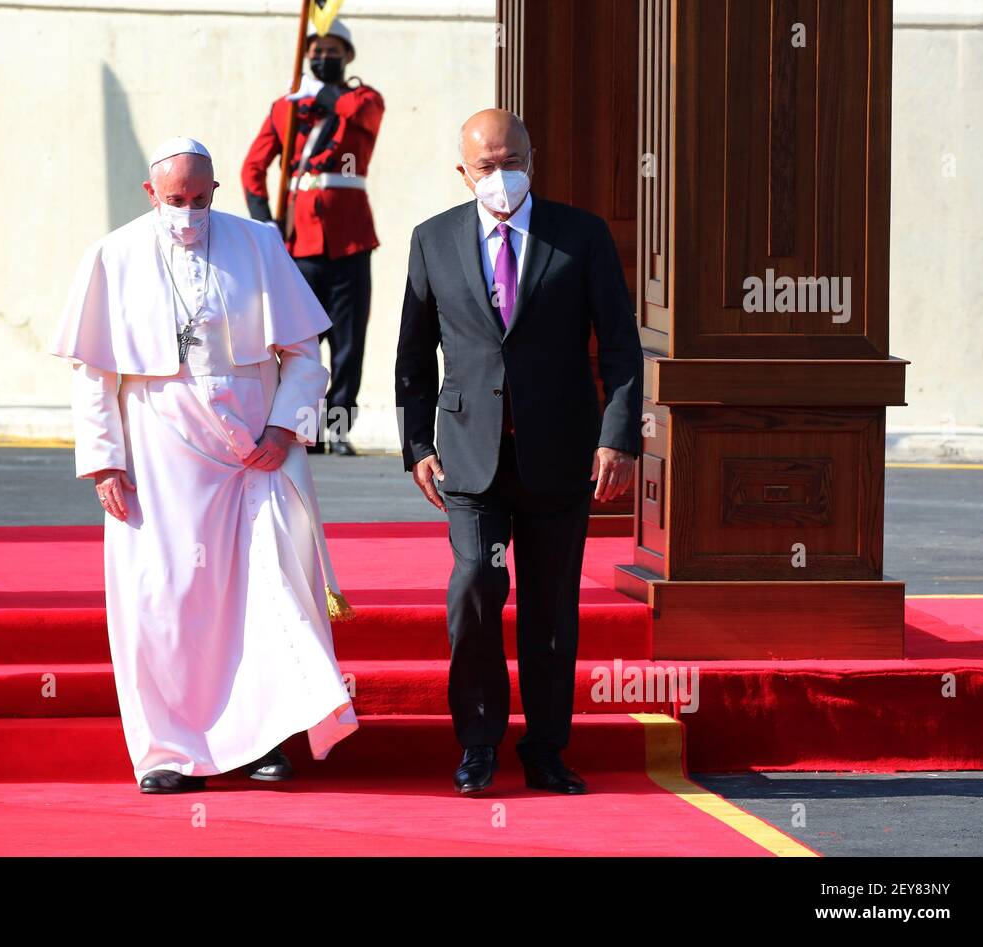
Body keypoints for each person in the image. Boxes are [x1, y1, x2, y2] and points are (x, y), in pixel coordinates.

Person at [51, 137, 358, 794]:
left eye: (199, 198)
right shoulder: (112, 256)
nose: (188, 212)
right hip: (158, 458)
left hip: (256, 453)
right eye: (175, 199)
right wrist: (105, 463)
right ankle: (170, 751)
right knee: (164, 598)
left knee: (265, 589)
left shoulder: (258, 243)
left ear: (216, 191)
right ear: (150, 193)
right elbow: (94, 376)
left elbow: (306, 356)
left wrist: (285, 427)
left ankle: (267, 739)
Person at [394, 109, 642, 796]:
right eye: (486, 165)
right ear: (463, 171)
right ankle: (478, 744)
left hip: (560, 452)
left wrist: (618, 435)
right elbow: (414, 355)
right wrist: (416, 444)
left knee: (551, 604)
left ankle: (546, 748)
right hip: (469, 456)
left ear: (532, 162)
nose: (500, 176)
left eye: (512, 163)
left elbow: (620, 345)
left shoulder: (581, 235)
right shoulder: (433, 239)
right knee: (477, 583)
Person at [242, 18, 383, 455]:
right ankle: (306, 430)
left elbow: (360, 113)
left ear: (348, 56)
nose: (323, 58)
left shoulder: (365, 100)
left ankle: (337, 431)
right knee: (300, 345)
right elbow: (252, 168)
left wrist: (321, 94)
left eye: (332, 52)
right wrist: (265, 222)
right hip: (298, 245)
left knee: (347, 345)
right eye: (316, 52)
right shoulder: (286, 108)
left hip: (350, 241)